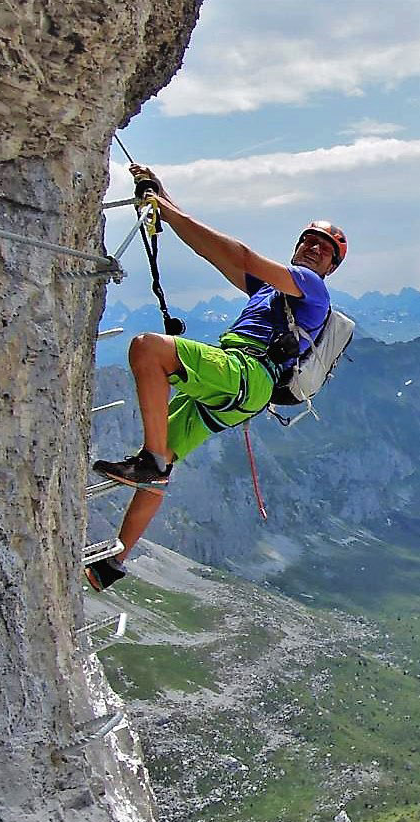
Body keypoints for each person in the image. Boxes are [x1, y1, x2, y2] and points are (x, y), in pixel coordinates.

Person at [85, 163, 347, 591]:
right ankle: (114, 561)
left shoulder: (310, 286)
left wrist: (165, 212)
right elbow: (213, 251)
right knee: (166, 455)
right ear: (297, 246)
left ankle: (146, 463)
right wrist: (162, 198)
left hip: (246, 372)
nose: (314, 249)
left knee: (148, 349)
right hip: (245, 392)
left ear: (331, 267)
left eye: (325, 249)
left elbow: (240, 255)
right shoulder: (271, 290)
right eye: (309, 241)